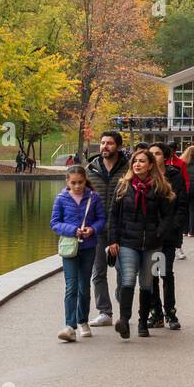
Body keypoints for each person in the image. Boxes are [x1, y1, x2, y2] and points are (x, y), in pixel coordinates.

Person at [104, 146, 177, 339]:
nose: (137, 164)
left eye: (142, 161)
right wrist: (113, 240)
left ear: (150, 165)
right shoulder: (123, 186)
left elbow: (168, 216)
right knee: (127, 280)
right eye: (135, 161)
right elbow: (113, 215)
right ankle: (124, 321)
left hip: (152, 245)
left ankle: (143, 322)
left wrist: (159, 233)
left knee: (146, 284)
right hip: (127, 242)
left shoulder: (160, 188)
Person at [51, 164, 106, 342]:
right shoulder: (61, 199)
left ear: (85, 180)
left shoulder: (94, 198)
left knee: (84, 286)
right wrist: (73, 230)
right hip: (69, 248)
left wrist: (92, 229)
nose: (77, 186)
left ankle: (83, 321)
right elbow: (55, 223)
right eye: (73, 183)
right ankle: (70, 325)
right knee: (71, 286)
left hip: (88, 247)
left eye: (80, 182)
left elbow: (102, 219)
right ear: (67, 181)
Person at [86, 132, 128, 327]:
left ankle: (123, 308)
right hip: (98, 229)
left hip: (122, 230)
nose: (105, 146)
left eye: (109, 143)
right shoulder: (91, 169)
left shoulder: (128, 169)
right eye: (102, 143)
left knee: (123, 272)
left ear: (118, 146)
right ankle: (105, 312)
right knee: (98, 272)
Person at [146, 143, 188, 330]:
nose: (154, 157)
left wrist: (175, 227)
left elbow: (181, 205)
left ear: (165, 156)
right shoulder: (146, 177)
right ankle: (156, 313)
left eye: (158, 153)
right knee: (153, 274)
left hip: (169, 234)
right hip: (152, 234)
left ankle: (170, 312)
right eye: (151, 154)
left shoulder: (174, 175)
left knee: (166, 272)